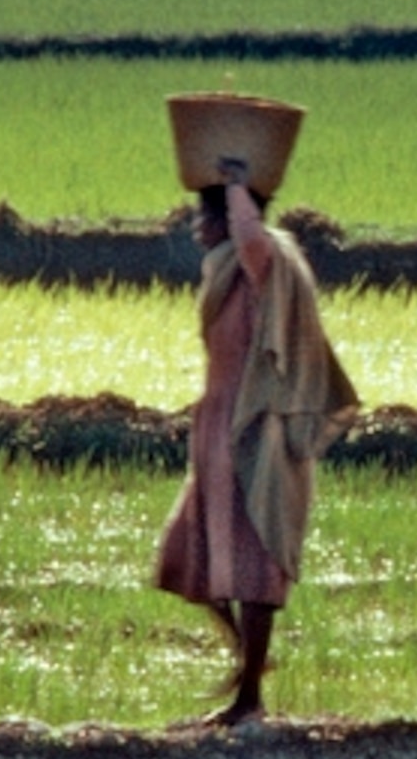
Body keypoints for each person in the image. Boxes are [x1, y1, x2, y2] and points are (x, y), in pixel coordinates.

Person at [153, 127, 357, 727]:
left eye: (203, 215)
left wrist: (237, 186)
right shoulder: (228, 270)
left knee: (255, 565)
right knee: (187, 557)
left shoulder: (266, 259)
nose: (196, 228)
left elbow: (250, 235)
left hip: (258, 430)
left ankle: (248, 699)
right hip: (220, 424)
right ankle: (250, 662)